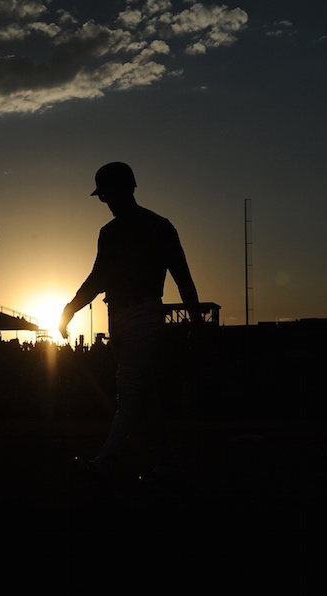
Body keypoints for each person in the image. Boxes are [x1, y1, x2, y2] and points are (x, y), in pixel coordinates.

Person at [59, 161, 201, 486]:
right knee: (143, 393)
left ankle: (105, 462)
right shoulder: (108, 233)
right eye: (103, 197)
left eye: (109, 194)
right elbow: (98, 278)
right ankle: (168, 462)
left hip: (145, 314)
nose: (107, 202)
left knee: (128, 389)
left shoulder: (158, 227)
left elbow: (182, 276)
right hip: (118, 318)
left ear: (127, 190)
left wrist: (195, 321)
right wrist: (70, 309)